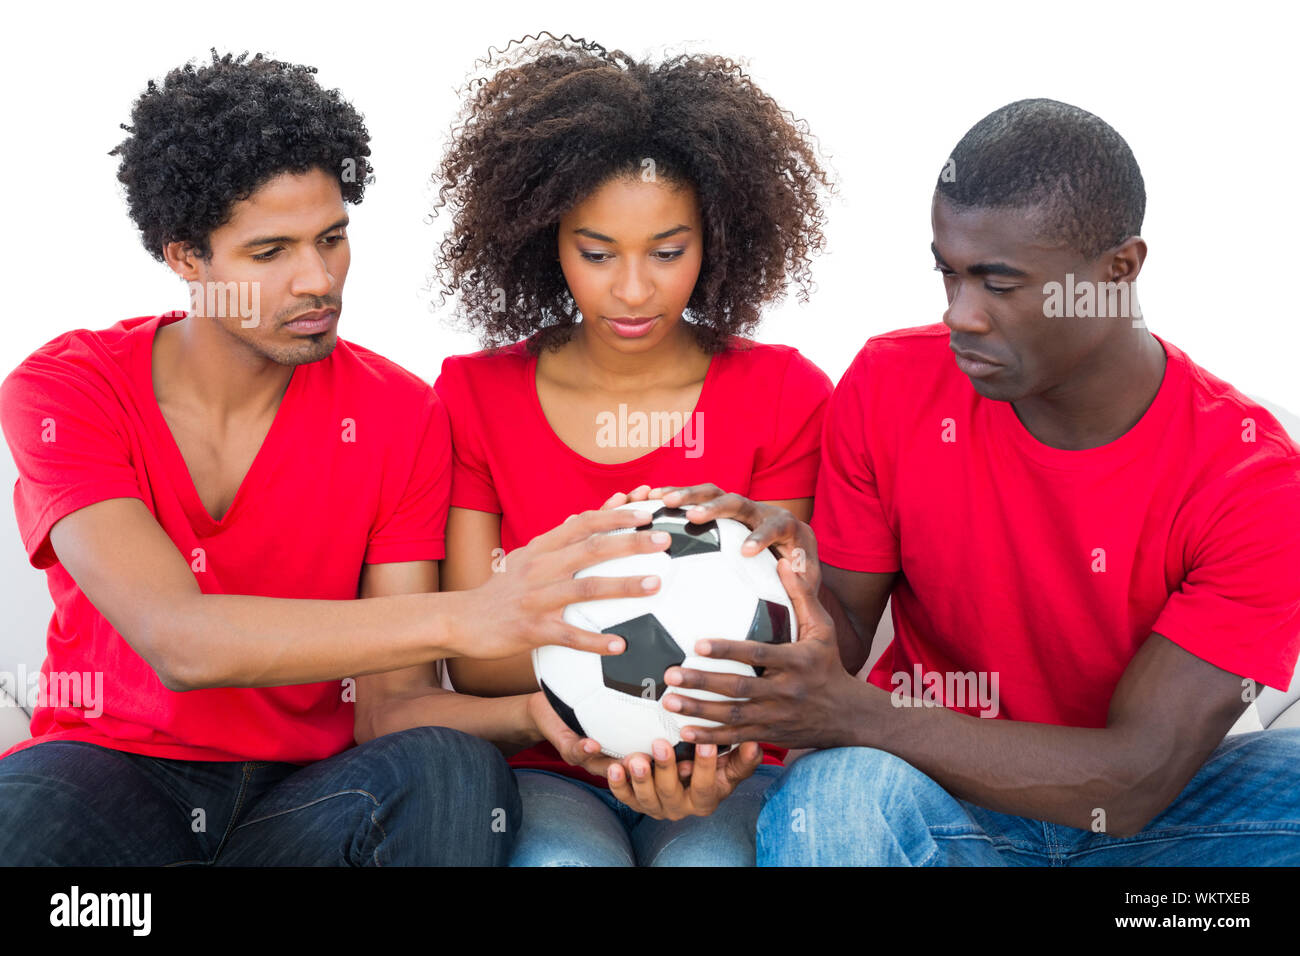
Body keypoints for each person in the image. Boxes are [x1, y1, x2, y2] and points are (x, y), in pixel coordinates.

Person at [0, 50, 669, 866]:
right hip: (115, 779)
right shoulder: (68, 389)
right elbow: (181, 641)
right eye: (270, 251)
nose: (318, 280)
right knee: (25, 809)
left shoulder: (398, 412)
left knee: (453, 771)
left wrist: (545, 713)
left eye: (333, 237)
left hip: (309, 798)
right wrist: (476, 613)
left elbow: (393, 707)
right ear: (185, 259)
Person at [651, 99, 1300, 865]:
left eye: (999, 284)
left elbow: (1130, 782)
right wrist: (768, 580)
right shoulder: (892, 384)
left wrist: (859, 716)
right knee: (837, 801)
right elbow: (846, 631)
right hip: (936, 795)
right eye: (949, 274)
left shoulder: (1253, 478)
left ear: (1117, 271)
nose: (962, 316)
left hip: (1153, 822)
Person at [360, 34, 833, 866]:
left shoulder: (785, 393)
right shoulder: (476, 396)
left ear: (716, 239)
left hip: (727, 768)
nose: (633, 289)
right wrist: (599, 701)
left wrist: (702, 740)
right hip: (548, 768)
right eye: (597, 252)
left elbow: (778, 648)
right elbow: (476, 665)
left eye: (667, 250)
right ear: (547, 239)